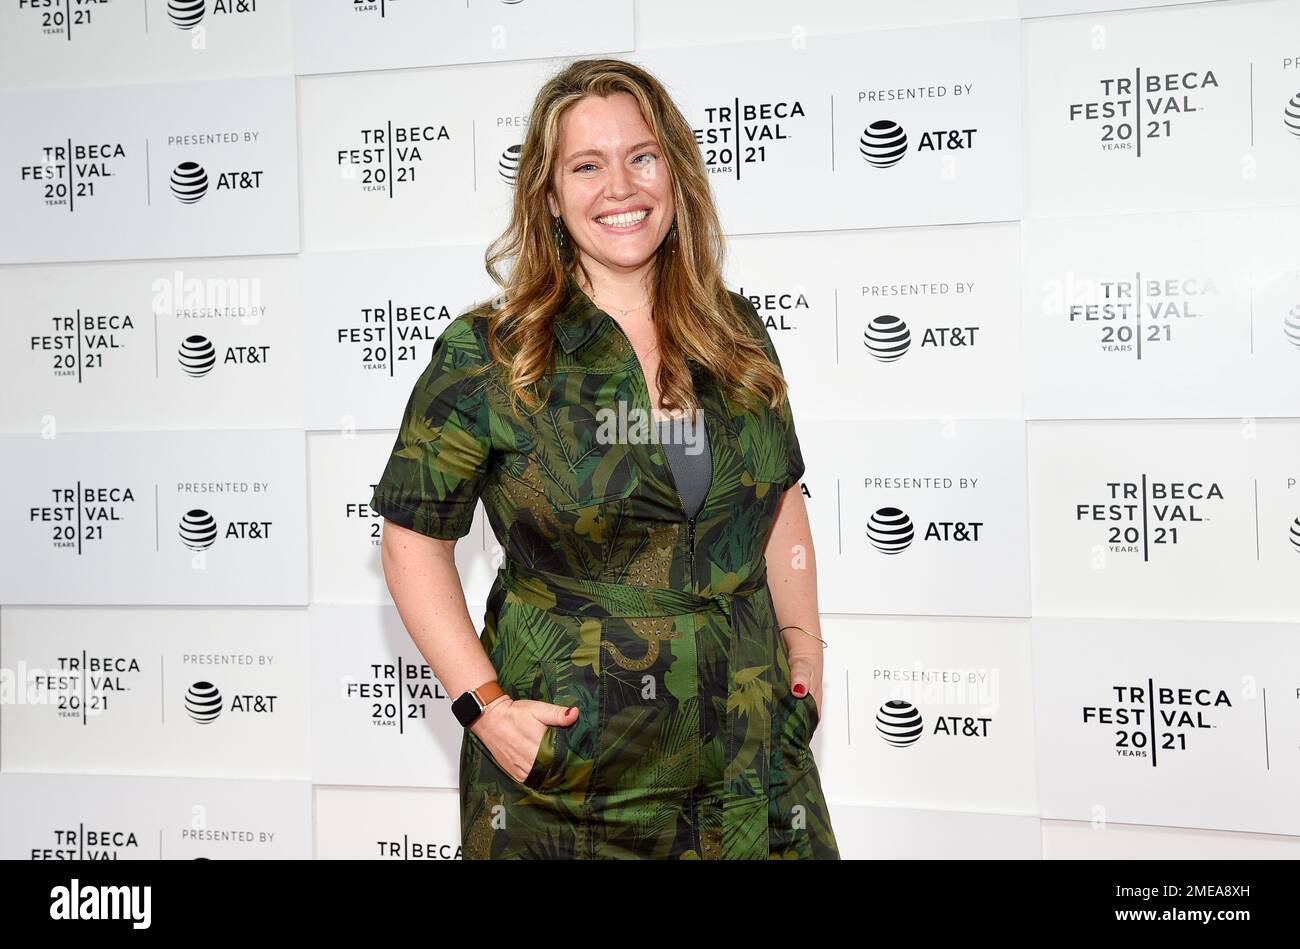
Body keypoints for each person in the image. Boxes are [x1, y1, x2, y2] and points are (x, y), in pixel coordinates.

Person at [370, 57, 839, 860]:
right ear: (549, 196)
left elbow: (777, 497)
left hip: (752, 770)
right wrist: (484, 707)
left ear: (675, 172)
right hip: (574, 783)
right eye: (586, 166)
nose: (619, 187)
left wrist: (804, 649)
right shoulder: (489, 354)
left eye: (641, 157)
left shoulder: (734, 331)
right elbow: (411, 539)